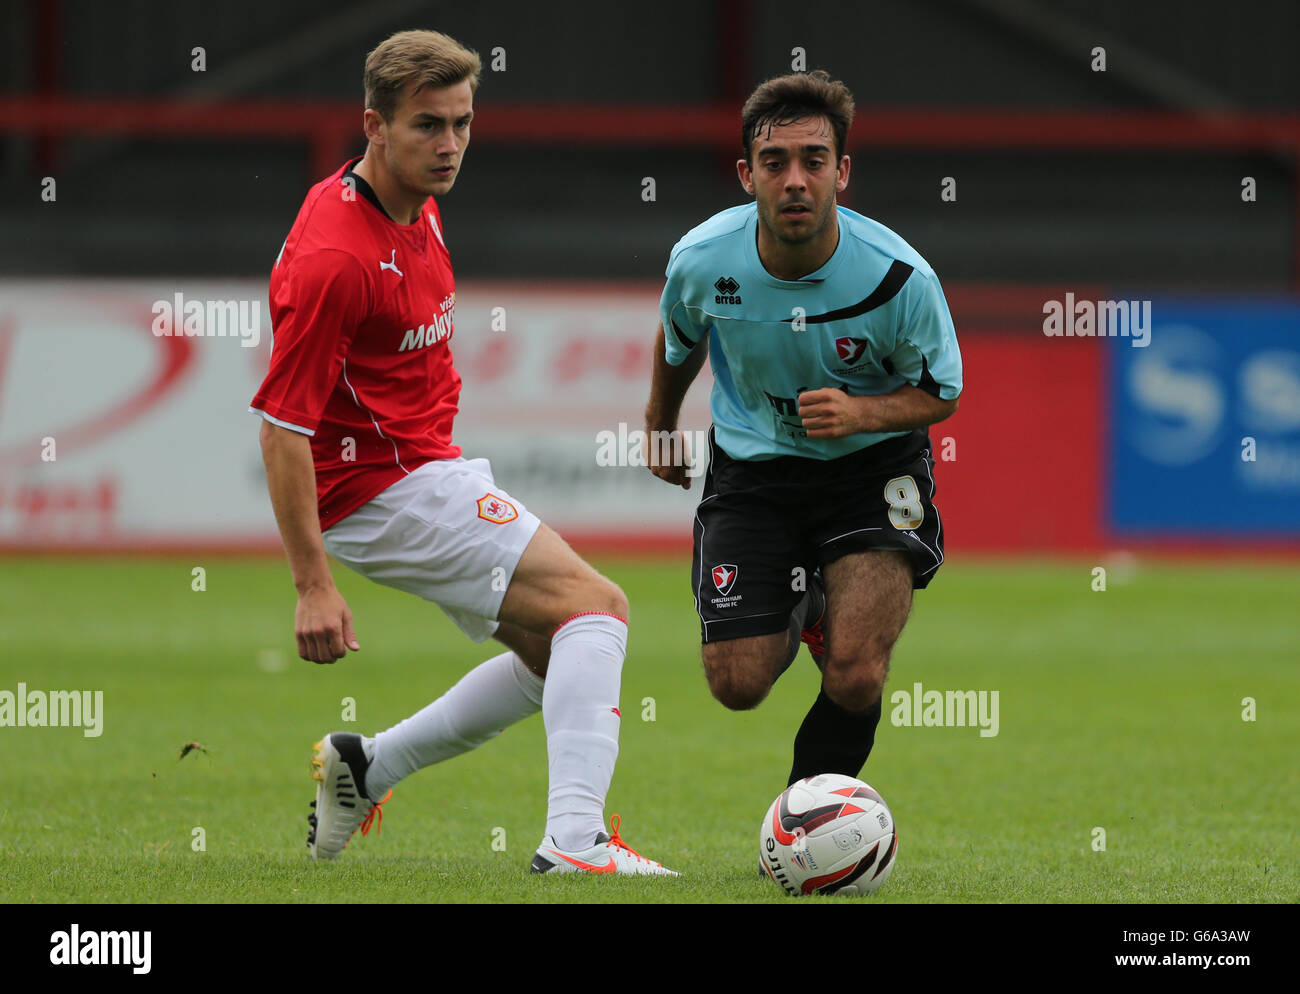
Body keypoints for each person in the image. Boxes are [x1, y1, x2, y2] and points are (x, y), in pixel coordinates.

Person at [250, 29, 674, 877]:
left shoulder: (414, 200)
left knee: (558, 653)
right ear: (373, 125)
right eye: (426, 127)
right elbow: (281, 426)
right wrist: (312, 586)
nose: (449, 146)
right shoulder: (338, 257)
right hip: (383, 488)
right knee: (599, 609)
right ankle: (576, 843)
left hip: (423, 466)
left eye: (462, 124)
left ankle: (368, 766)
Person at [645, 69, 962, 790]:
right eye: (775, 162)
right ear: (745, 175)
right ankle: (810, 597)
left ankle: (805, 823)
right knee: (737, 682)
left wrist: (864, 414)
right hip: (755, 471)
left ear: (842, 172)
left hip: (872, 469)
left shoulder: (899, 278)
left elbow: (942, 393)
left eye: (813, 161)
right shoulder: (701, 261)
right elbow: (678, 340)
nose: (795, 180)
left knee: (855, 672)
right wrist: (660, 424)